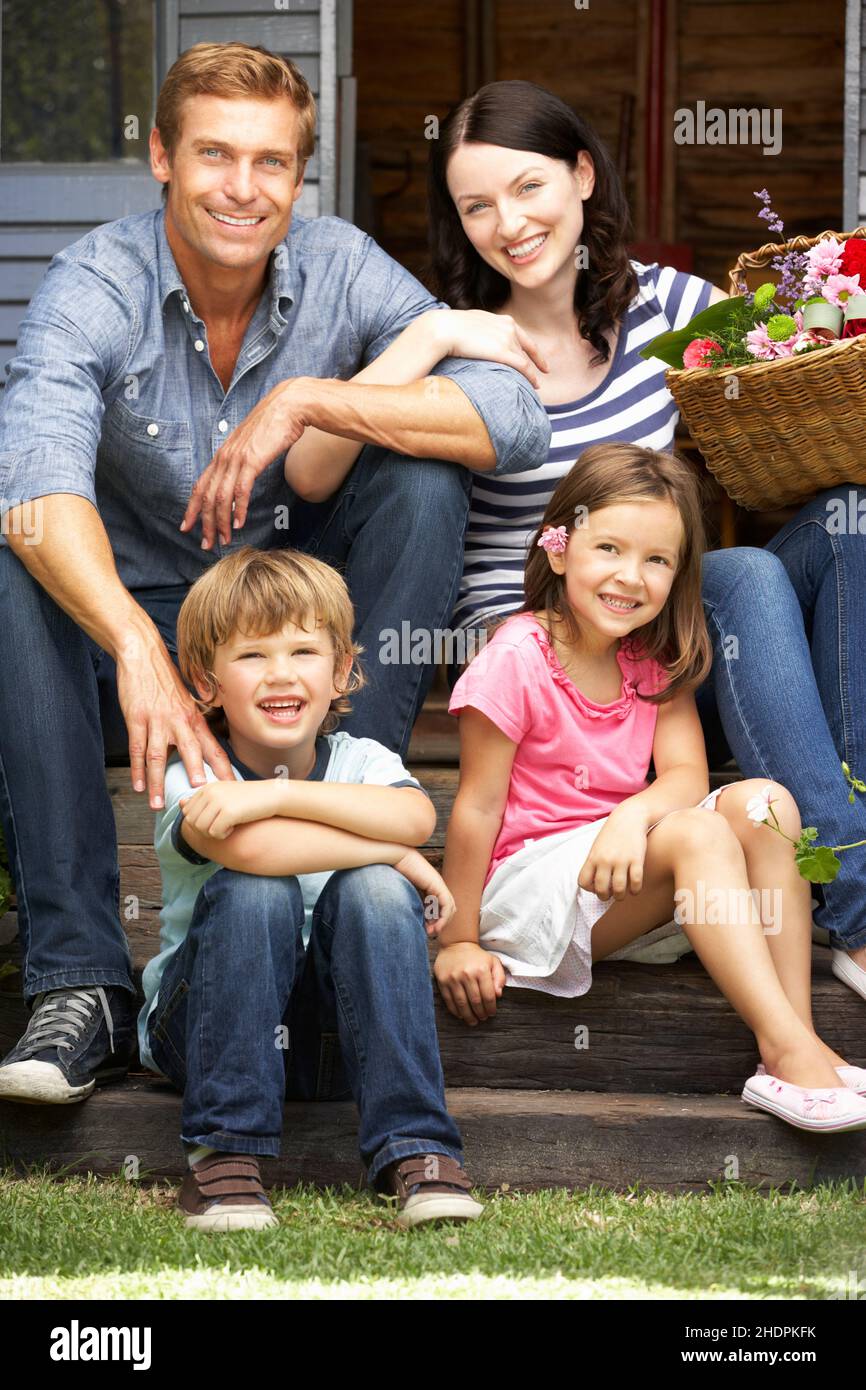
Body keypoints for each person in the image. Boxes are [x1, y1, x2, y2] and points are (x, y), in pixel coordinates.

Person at [0, 45, 550, 1105]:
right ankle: (81, 982)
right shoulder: (95, 284)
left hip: (299, 657)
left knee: (421, 475)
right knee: (16, 556)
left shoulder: (341, 265)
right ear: (162, 156)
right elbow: (34, 481)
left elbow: (513, 420)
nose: (242, 189)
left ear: (300, 176)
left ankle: (355, 863)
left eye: (271, 163)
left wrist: (305, 402)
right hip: (130, 653)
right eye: (214, 154)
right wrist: (135, 648)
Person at [306, 77, 866, 998]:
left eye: (528, 187)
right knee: (744, 577)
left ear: (582, 176)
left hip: (654, 665)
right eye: (476, 206)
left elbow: (792, 361)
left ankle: (848, 879)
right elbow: (314, 469)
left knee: (842, 528)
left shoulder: (662, 308)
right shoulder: (461, 345)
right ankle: (856, 907)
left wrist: (823, 319)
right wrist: (431, 336)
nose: (509, 224)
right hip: (540, 683)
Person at [436, 444, 866, 1134]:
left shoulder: (651, 658)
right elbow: (477, 807)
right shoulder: (516, 656)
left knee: (767, 804)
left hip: (620, 872)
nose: (630, 577)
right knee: (696, 832)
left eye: (657, 560)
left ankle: (795, 1040)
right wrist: (458, 940)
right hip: (530, 892)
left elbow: (687, 776)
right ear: (558, 550)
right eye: (608, 548)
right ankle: (789, 1050)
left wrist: (628, 818)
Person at [139, 544, 482, 1230]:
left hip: (336, 1043)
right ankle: (223, 1155)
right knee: (257, 890)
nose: (281, 673)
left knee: (376, 891)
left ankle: (417, 1149)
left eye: (303, 651)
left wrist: (273, 796)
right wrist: (396, 853)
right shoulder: (195, 773)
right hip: (205, 1040)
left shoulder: (362, 760)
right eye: (252, 655)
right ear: (206, 682)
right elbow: (254, 851)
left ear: (342, 670)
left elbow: (415, 817)